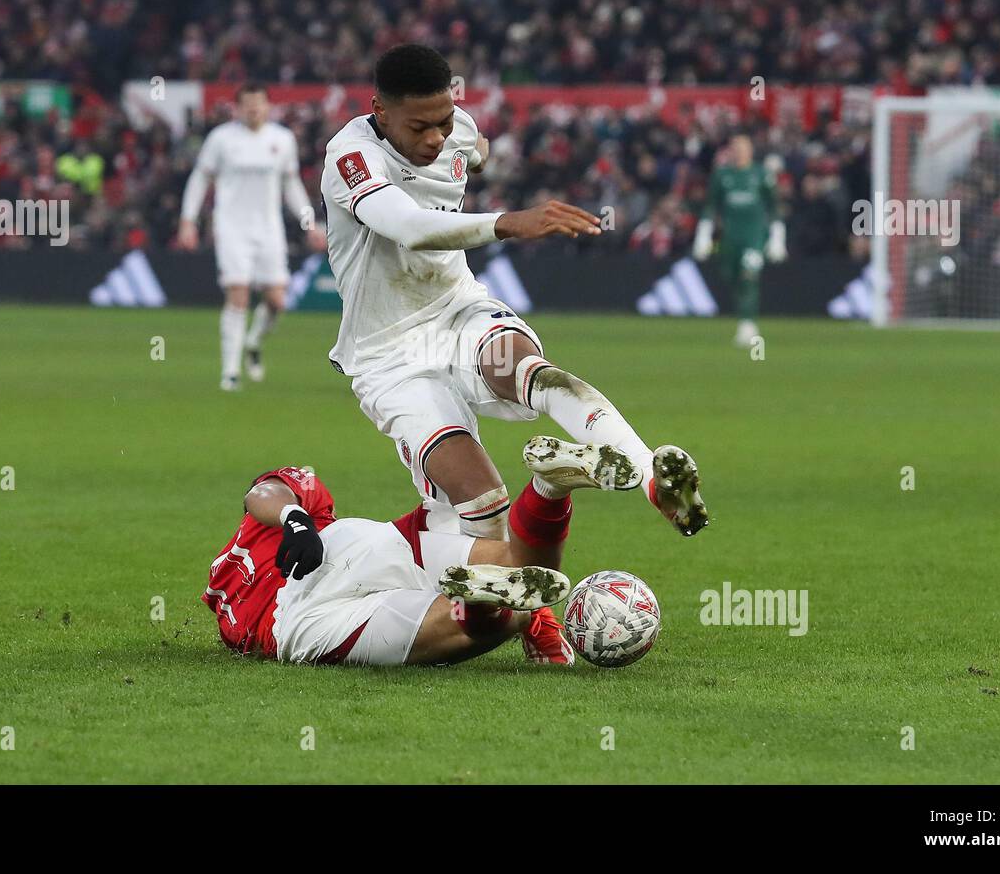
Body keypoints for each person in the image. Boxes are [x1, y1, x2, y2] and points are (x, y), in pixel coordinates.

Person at [319, 43, 709, 546]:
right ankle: (477, 587)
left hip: (458, 310)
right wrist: (509, 223)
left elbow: (471, 148)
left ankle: (652, 481)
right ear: (380, 111)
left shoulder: (455, 129)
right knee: (484, 506)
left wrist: (476, 155)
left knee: (532, 373)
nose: (437, 137)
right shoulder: (351, 157)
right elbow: (408, 227)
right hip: (389, 354)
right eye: (419, 127)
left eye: (443, 120)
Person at [202, 437, 641, 667]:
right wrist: (296, 518)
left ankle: (485, 607)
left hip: (299, 619)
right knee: (519, 566)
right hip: (355, 546)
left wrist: (294, 520)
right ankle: (548, 489)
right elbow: (265, 490)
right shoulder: (265, 521)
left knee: (469, 631)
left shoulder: (226, 588)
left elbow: (262, 492)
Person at [178, 85, 325, 389]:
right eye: (247, 105)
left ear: (268, 107)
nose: (253, 110)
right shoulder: (221, 139)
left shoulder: (281, 140)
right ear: (238, 108)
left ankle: (253, 343)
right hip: (231, 227)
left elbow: (291, 185)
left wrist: (309, 223)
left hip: (269, 228)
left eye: (258, 105)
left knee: (277, 301)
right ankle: (230, 374)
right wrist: (187, 221)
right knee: (238, 295)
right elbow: (200, 178)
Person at [692, 134, 788, 347]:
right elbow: (711, 206)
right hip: (730, 238)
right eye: (735, 148)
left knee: (749, 277)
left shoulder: (762, 174)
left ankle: (748, 324)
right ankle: (745, 318)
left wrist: (777, 238)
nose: (739, 152)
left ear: (750, 151)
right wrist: (703, 235)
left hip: (755, 237)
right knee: (732, 276)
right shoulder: (722, 175)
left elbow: (774, 207)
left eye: (743, 148)